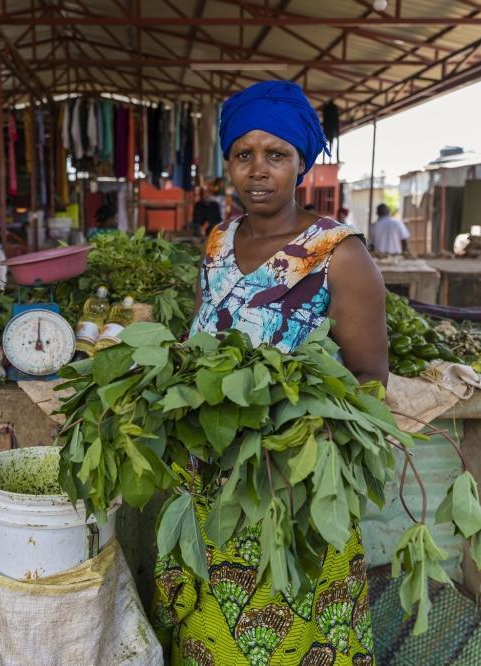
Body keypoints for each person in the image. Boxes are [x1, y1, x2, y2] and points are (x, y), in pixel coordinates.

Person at [154, 79, 386, 665]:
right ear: (228, 163)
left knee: (293, 640)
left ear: (301, 162)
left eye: (276, 154)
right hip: (208, 481)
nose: (258, 169)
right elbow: (202, 341)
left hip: (291, 491)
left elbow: (369, 382)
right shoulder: (217, 241)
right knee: (209, 636)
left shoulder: (339, 253)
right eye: (244, 154)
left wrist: (304, 444)